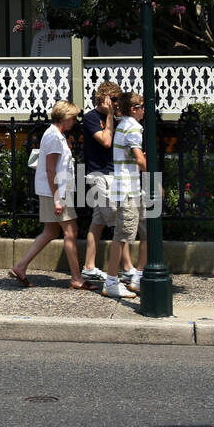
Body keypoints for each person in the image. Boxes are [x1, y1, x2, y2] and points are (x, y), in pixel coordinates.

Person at [8, 100, 93, 289]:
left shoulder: (55, 135)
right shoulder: (54, 137)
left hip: (53, 190)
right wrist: (57, 199)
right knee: (71, 231)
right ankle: (77, 278)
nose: (75, 121)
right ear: (65, 117)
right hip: (57, 191)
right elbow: (50, 170)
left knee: (51, 231)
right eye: (73, 117)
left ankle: (20, 266)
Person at [80, 81, 139, 288]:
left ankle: (89, 266)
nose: (116, 104)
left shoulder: (115, 118)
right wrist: (108, 116)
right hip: (99, 176)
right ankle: (128, 268)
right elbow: (105, 141)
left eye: (117, 100)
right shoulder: (90, 118)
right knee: (119, 220)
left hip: (112, 176)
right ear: (102, 98)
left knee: (98, 221)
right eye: (113, 99)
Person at [103, 91, 149, 301]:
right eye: (141, 106)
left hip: (132, 189)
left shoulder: (124, 124)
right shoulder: (132, 126)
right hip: (128, 191)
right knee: (122, 237)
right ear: (133, 109)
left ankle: (138, 277)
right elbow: (140, 159)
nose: (143, 110)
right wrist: (155, 180)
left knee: (145, 231)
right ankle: (112, 282)